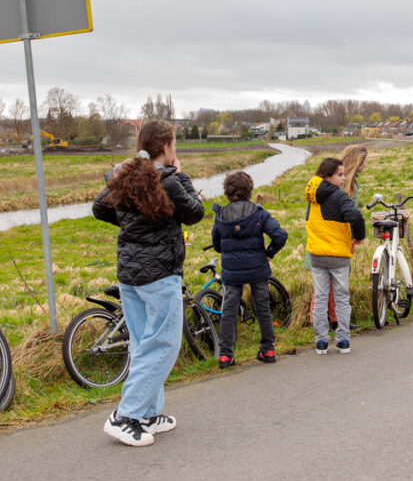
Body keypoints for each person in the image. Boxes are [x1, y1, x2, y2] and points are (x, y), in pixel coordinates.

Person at [91, 120, 206, 446]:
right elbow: (195, 212)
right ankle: (125, 416)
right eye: (175, 146)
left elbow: (99, 207)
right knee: (166, 345)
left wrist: (133, 218)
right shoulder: (168, 181)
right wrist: (179, 174)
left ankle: (147, 413)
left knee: (144, 345)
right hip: (159, 274)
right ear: (167, 148)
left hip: (130, 275)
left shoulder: (125, 176)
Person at [211, 170, 288, 368]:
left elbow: (217, 244)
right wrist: (269, 252)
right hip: (257, 268)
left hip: (232, 269)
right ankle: (268, 349)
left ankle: (226, 354)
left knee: (228, 310)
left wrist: (227, 252)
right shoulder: (259, 212)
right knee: (262, 307)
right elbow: (280, 235)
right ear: (249, 190)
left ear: (227, 191)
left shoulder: (220, 215)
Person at [305, 156, 365, 354]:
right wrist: (357, 238)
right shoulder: (340, 197)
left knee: (321, 298)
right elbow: (355, 216)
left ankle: (321, 342)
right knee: (341, 298)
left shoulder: (312, 198)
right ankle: (343, 340)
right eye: (339, 175)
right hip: (338, 256)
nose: (343, 178)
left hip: (317, 256)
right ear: (327, 176)